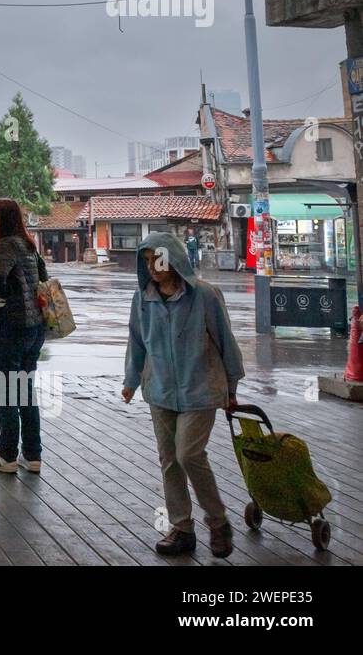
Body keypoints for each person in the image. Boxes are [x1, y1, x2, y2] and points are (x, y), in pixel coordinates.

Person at [124, 231, 244, 559]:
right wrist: (131, 380)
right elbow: (137, 341)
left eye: (158, 258)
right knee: (168, 460)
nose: (152, 267)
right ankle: (182, 528)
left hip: (201, 389)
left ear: (175, 257)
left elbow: (226, 342)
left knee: (188, 454)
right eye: (146, 261)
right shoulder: (143, 299)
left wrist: (231, 387)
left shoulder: (205, 296)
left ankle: (217, 521)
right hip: (159, 390)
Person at [0, 198, 48, 475]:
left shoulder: (7, 244)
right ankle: (32, 455)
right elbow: (43, 276)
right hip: (33, 328)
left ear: (6, 218)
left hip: (8, 327)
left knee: (6, 390)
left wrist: (6, 296)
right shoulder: (29, 244)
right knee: (25, 390)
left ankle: (6, 455)